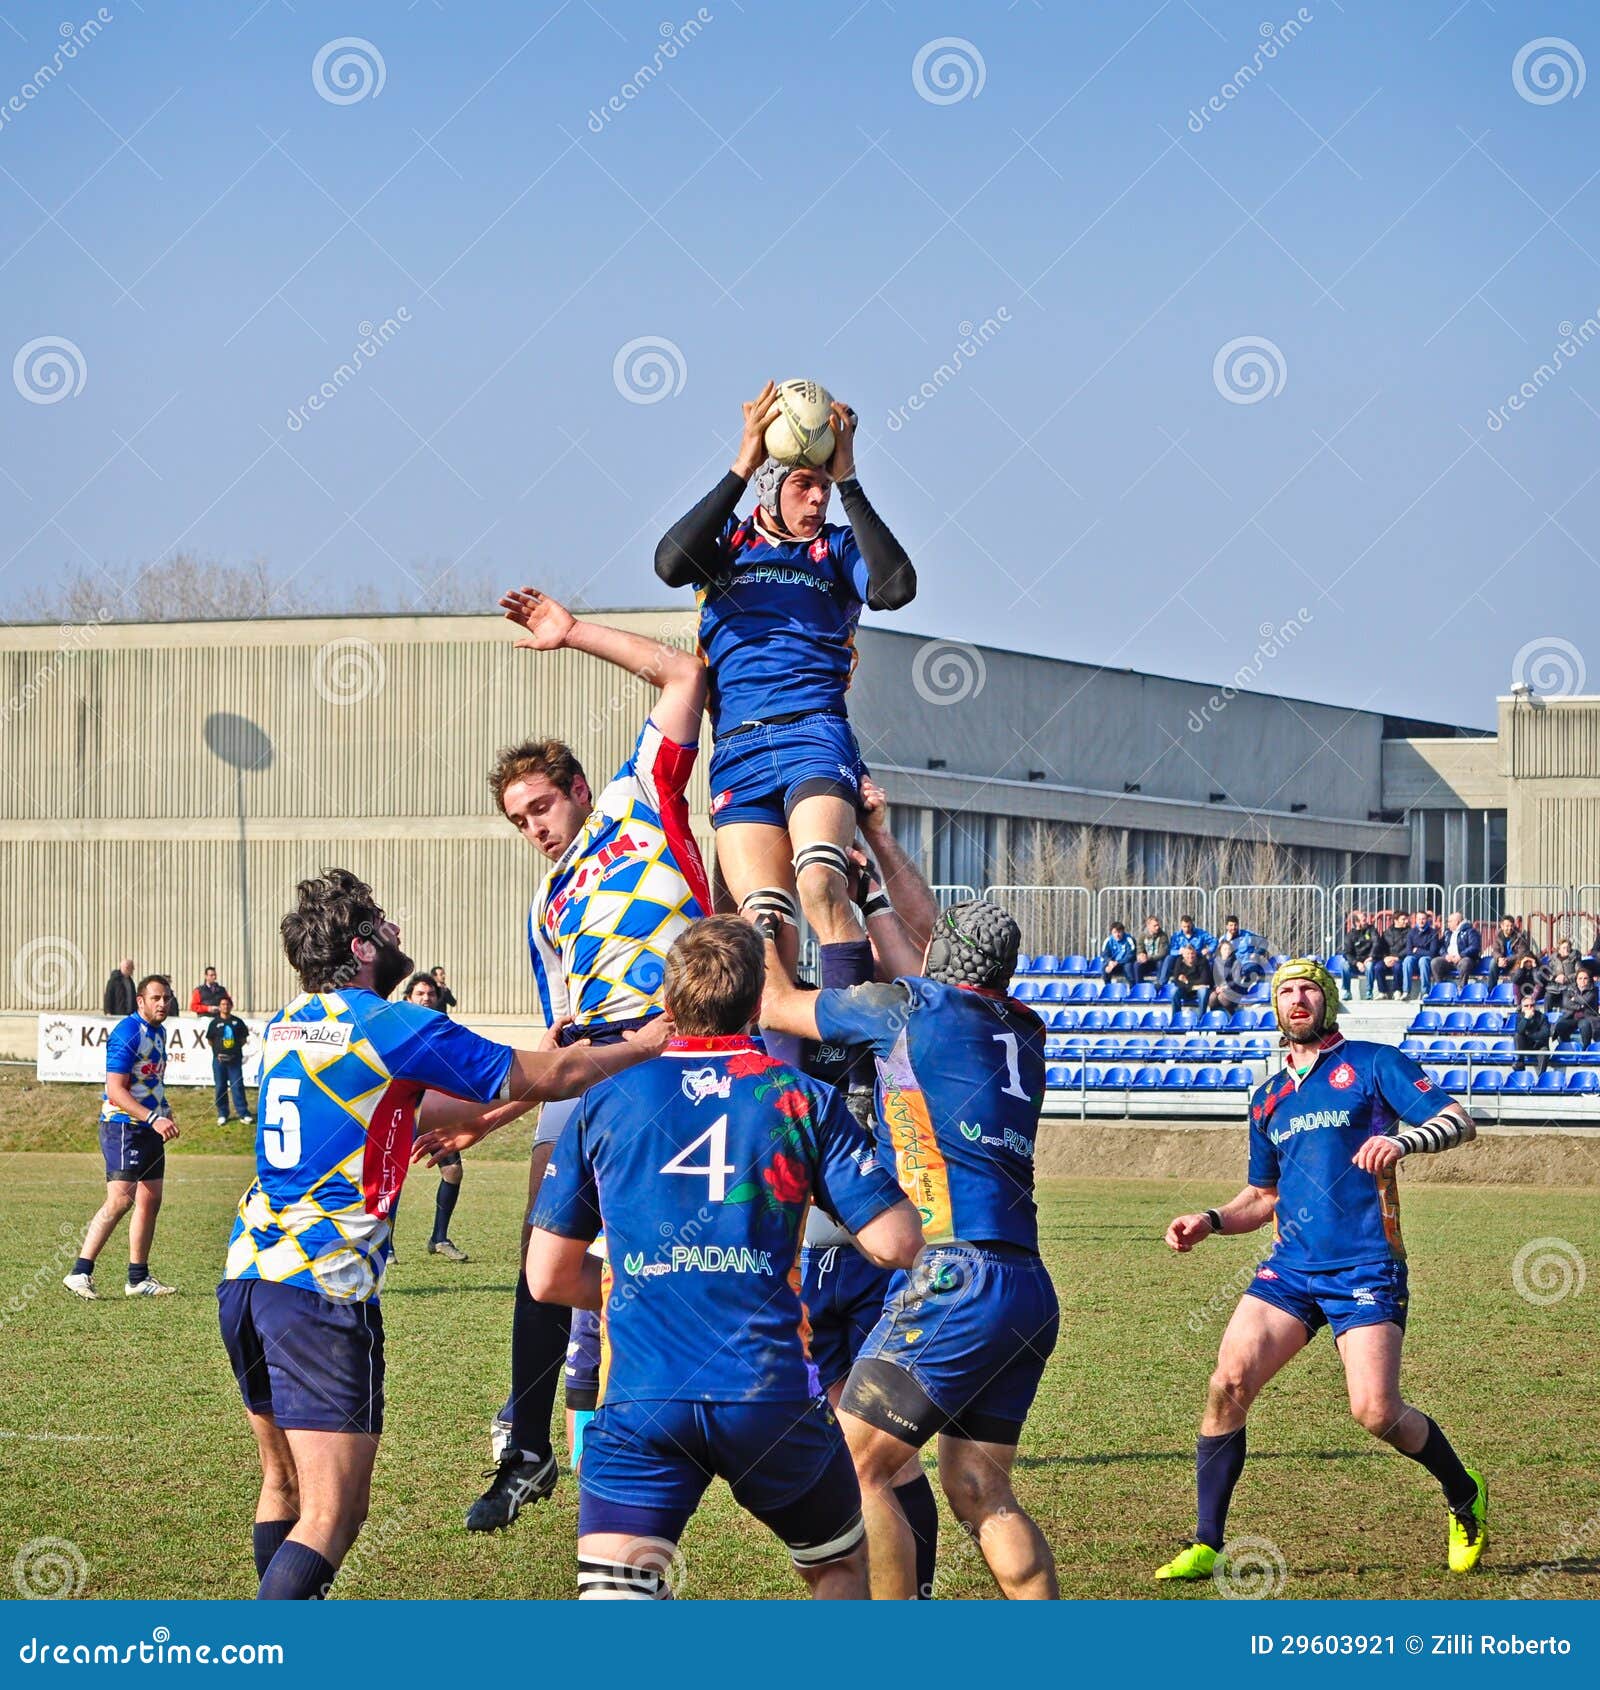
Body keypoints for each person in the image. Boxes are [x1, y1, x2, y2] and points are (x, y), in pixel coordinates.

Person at [216, 868, 668, 1601]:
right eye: (385, 925)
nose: (398, 936)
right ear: (362, 946)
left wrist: (476, 1116)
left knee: (285, 1484)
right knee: (334, 1513)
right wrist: (647, 1043)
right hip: (320, 1285)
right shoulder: (390, 1024)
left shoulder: (286, 1024)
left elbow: (375, 1112)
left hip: (246, 1274)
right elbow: (557, 1075)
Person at [527, 917, 922, 1600]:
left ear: (669, 1007)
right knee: (835, 1566)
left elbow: (548, 1276)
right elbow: (895, 1244)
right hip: (766, 1393)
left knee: (621, 1600)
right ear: (755, 1008)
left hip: (643, 1396)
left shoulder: (608, 1100)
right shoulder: (800, 1098)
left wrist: (656, 1282)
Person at [441, 588, 711, 1535]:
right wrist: (483, 1116)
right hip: (595, 1073)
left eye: (542, 806)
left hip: (687, 1059)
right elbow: (557, 1044)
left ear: (579, 788)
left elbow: (686, 673)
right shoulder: (545, 910)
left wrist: (571, 634)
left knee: (715, 1244)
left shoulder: (644, 798)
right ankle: (527, 1452)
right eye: (519, 820)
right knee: (539, 1257)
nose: (535, 828)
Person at [759, 899, 1062, 1601]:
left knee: (852, 1470)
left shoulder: (905, 1008)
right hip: (1027, 1284)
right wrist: (869, 902)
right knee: (980, 1488)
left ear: (932, 959)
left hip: (958, 1275)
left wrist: (763, 911)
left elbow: (775, 1005)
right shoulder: (1022, 1028)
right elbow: (930, 980)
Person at [1154, 958, 1487, 1583]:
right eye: (1285, 991)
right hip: (1290, 1268)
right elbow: (1262, 1196)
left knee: (1375, 1410)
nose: (1297, 999)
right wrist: (1210, 1220)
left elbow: (1459, 1120)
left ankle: (1464, 1494)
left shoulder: (1372, 1062)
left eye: (1309, 988)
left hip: (1364, 1264)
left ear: (1327, 1002)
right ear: (1275, 1008)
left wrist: (1404, 1142)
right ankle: (1207, 1542)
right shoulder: (1266, 1096)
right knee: (1228, 1385)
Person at [653, 380, 916, 1014]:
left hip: (813, 732)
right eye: (805, 483)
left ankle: (853, 1056)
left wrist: (849, 481)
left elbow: (897, 588)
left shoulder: (837, 548)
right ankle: (782, 1077)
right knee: (760, 929)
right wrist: (743, 463)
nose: (818, 495)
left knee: (823, 883)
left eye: (824, 484)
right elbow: (668, 563)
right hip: (739, 747)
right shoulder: (729, 547)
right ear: (771, 486)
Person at [63, 973, 182, 1301]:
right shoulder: (128, 1031)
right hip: (124, 1127)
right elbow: (115, 1090)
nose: (162, 1003)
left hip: (148, 1127)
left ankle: (138, 1278)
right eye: (156, 998)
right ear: (140, 1001)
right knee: (120, 1199)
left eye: (167, 998)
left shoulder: (159, 1033)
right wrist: (153, 1117)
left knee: (150, 1199)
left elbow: (150, 1081)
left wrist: (165, 1109)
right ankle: (79, 1271)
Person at [397, 972, 470, 1262]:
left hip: (434, 1114)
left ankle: (439, 1238)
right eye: (420, 994)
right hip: (402, 1113)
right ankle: (385, 1246)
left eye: (430, 994)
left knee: (453, 1171)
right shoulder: (397, 1028)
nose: (426, 998)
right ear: (408, 999)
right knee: (393, 1177)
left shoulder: (444, 1031)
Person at [206, 994, 253, 1126]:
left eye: (227, 1004)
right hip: (219, 1061)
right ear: (219, 1007)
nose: (225, 1007)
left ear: (231, 1006)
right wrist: (219, 1052)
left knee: (237, 1086)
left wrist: (233, 1051)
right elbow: (210, 1040)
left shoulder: (238, 1022)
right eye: (222, 1004)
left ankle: (243, 1113)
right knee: (220, 1087)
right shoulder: (214, 1023)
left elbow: (243, 1039)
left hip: (234, 1061)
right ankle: (222, 1113)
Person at [1552, 965, 1599, 1051]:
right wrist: (1579, 1006)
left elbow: (1585, 1001)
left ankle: (1586, 1049)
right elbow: (1566, 1003)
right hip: (1571, 1016)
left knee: (1585, 1026)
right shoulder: (1570, 989)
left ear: (1589, 979)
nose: (1582, 981)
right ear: (1576, 979)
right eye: (1580, 978)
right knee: (1560, 1026)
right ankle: (1568, 1047)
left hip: (1586, 1017)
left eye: (1585, 978)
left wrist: (1574, 999)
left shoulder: (1593, 990)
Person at [1485, 917, 1537, 995]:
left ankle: (1516, 995)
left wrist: (1506, 960)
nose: (1510, 928)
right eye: (1507, 926)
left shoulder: (1519, 936)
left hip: (1515, 962)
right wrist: (1499, 959)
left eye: (1511, 926)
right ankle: (1491, 992)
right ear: (1502, 926)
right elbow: (1495, 950)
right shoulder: (1498, 936)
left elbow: (1522, 953)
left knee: (1519, 969)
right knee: (1493, 963)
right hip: (1502, 962)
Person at [1158, 914, 1213, 987]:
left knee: (1206, 961)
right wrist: (1178, 951)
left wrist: (1209, 949)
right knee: (1169, 958)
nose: (1186, 929)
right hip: (1181, 958)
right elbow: (1171, 950)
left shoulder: (1200, 934)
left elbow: (1214, 941)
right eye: (1184, 927)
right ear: (1181, 926)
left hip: (1196, 956)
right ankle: (1162, 983)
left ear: (1192, 925)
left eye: (1188, 926)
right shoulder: (1176, 936)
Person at [1431, 913, 1482, 989]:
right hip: (1449, 960)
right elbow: (1441, 946)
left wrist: (1461, 955)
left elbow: (1474, 947)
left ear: (1457, 922)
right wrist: (1445, 955)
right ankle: (1440, 987)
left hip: (1463, 960)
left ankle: (1461, 988)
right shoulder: (1447, 933)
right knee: (1435, 962)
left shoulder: (1470, 931)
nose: (1448, 924)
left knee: (1466, 962)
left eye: (1450, 921)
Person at [1370, 912, 1410, 1001]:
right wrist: (1385, 958)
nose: (1406, 921)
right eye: (1403, 919)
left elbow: (1409, 948)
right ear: (1396, 920)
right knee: (1378, 967)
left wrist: (1397, 957)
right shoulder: (1387, 933)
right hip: (1387, 959)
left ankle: (1397, 990)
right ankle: (1382, 992)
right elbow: (1381, 947)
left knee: (1398, 967)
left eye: (1407, 919)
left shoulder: (1410, 933)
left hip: (1400, 959)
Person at [1402, 911, 1441, 1000]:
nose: (1421, 921)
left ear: (1427, 920)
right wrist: (1420, 951)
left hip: (1426, 961)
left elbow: (1432, 952)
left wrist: (1417, 950)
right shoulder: (1411, 932)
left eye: (1423, 919)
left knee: (1423, 960)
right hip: (1414, 961)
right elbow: (1408, 951)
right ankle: (1406, 991)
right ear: (1416, 920)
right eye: (1419, 919)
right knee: (1408, 960)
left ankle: (1425, 992)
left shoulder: (1433, 932)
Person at [1512, 988, 1552, 1075]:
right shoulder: (1520, 1017)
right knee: (1517, 1036)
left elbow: (1545, 1034)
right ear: (1522, 1008)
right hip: (1526, 1045)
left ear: (1535, 1006)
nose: (1529, 1008)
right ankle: (1520, 1062)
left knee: (1544, 1052)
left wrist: (1529, 1034)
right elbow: (1519, 1031)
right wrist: (1526, 1018)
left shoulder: (1542, 1017)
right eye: (1526, 1006)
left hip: (1540, 1046)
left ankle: (1541, 1078)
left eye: (1532, 1005)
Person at [1538, 936, 1582, 1014]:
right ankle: (1546, 1018)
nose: (1566, 949)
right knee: (1548, 997)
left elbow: (1579, 972)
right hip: (1555, 986)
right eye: (1564, 948)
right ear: (1559, 949)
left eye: (1568, 947)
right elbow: (1548, 973)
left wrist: (1566, 978)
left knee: (1566, 1000)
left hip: (1569, 986)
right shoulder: (1553, 959)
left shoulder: (1575, 957)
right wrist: (1555, 978)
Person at [1341, 910, 1379, 1000]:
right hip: (1356, 962)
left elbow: (1376, 943)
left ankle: (1369, 992)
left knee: (1370, 966)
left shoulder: (1371, 930)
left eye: (1366, 919)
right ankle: (1347, 991)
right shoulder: (1350, 935)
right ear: (1357, 922)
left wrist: (1371, 956)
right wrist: (1356, 963)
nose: (1366, 921)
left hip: (1368, 959)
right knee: (1344, 965)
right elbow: (1347, 953)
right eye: (1363, 920)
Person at [1169, 944, 1211, 1015]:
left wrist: (1186, 981)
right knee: (1174, 992)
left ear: (1195, 953)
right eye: (1187, 954)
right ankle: (1176, 1017)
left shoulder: (1203, 961)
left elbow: (1204, 980)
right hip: (1186, 988)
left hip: (1199, 989)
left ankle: (1201, 1018)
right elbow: (1176, 980)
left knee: (1203, 991)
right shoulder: (1179, 961)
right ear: (1183, 955)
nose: (1190, 956)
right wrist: (1191, 986)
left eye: (1192, 953)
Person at [1135, 916, 1168, 985]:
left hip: (1157, 960)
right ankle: (1139, 986)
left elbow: (1162, 953)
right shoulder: (1142, 936)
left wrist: (1148, 958)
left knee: (1161, 962)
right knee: (1137, 965)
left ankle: (1159, 986)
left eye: (1158, 925)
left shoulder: (1163, 936)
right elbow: (1139, 948)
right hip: (1146, 962)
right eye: (1155, 926)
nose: (1157, 927)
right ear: (1148, 925)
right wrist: (1140, 956)